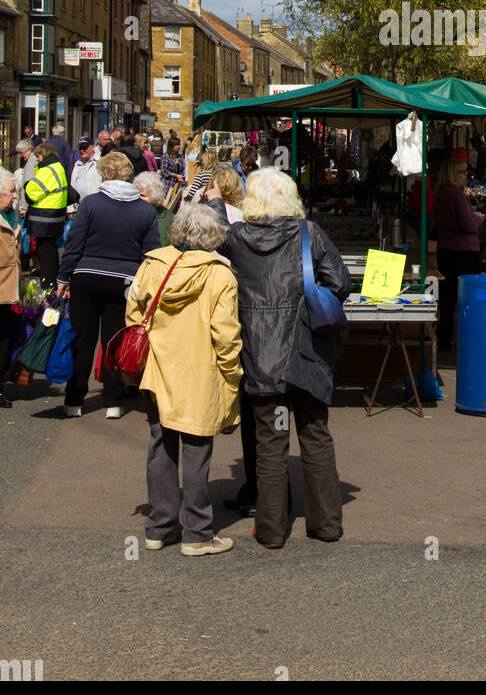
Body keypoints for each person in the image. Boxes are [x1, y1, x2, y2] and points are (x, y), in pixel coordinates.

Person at [224, 168, 350, 549]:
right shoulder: (310, 234)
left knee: (271, 442)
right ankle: (326, 524)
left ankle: (271, 529)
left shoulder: (236, 239)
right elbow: (340, 284)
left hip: (261, 355)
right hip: (305, 355)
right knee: (315, 435)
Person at [126, 204, 242, 557]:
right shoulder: (220, 275)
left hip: (157, 369)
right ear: (214, 238)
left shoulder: (152, 264)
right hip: (198, 373)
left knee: (161, 443)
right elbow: (225, 335)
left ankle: (159, 527)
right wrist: (233, 373)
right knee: (196, 450)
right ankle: (197, 532)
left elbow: (133, 314)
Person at [57, 151, 160, 418]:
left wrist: (63, 277)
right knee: (113, 341)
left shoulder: (90, 204)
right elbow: (150, 253)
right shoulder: (144, 210)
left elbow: (74, 244)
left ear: (104, 174)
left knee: (82, 340)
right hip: (123, 281)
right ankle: (113, 402)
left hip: (86, 276)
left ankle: (74, 400)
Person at [433, 159, 486, 351]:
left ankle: (444, 338)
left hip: (445, 249)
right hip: (463, 250)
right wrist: (479, 219)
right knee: (467, 297)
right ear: (454, 175)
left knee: (447, 298)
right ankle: (467, 338)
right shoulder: (456, 195)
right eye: (463, 172)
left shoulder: (440, 194)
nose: (466, 176)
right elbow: (469, 224)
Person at [24, 140, 70, 287]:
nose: (36, 160)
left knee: (46, 252)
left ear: (43, 155)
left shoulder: (48, 169)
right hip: (54, 215)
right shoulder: (58, 167)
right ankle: (51, 281)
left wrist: (27, 184)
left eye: (38, 157)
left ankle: (48, 284)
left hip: (45, 217)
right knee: (50, 251)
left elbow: (31, 192)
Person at [0, 171, 21, 408]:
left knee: (5, 337)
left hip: (7, 288)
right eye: (11, 192)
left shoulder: (11, 217)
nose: (16, 196)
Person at [134, 171, 174, 246]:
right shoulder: (133, 212)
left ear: (154, 197)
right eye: (136, 194)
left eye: (142, 195)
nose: (138, 197)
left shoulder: (166, 219)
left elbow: (162, 245)